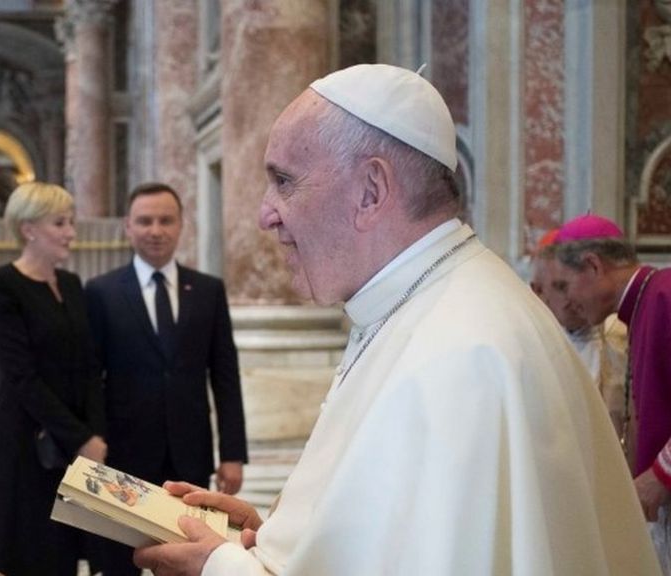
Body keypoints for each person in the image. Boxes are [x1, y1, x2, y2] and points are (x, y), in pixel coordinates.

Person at [133, 64, 659, 575]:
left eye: (284, 181)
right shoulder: (430, 303)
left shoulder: (460, 356)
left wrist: (219, 567)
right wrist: (272, 535)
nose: (264, 214)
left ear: (371, 191)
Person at [84, 182, 248, 575]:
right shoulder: (101, 292)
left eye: (165, 220)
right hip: (122, 456)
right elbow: (90, 375)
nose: (155, 230)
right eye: (145, 221)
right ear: (128, 227)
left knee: (189, 561)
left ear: (180, 226)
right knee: (119, 563)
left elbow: (224, 374)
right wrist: (93, 439)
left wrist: (233, 453)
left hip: (188, 454)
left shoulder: (208, 290)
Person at [0, 182, 107, 575]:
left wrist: (95, 434)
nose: (71, 232)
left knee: (64, 553)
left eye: (71, 222)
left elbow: (89, 367)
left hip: (73, 444)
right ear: (28, 229)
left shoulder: (71, 285)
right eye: (60, 223)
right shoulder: (0, 286)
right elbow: (22, 377)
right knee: (25, 552)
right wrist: (80, 437)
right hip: (24, 444)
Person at [546, 214, 671, 571]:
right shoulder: (645, 303)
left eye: (563, 285)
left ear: (592, 265)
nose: (567, 302)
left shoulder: (665, 294)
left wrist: (660, 475)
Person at [531, 231, 628, 436]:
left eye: (571, 284)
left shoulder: (618, 331)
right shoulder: (528, 340)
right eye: (560, 287)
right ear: (538, 291)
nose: (572, 296)